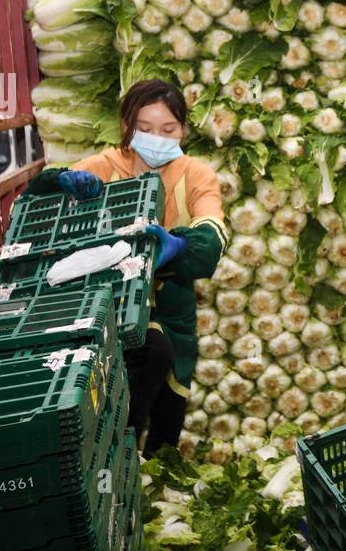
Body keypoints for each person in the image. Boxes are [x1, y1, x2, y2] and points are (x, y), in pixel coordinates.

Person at [24, 79, 227, 456]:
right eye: (144, 129)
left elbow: (213, 233)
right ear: (126, 126)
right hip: (103, 303)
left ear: (183, 129)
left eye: (168, 129)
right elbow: (36, 205)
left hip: (169, 307)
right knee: (138, 372)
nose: (156, 138)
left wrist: (180, 245)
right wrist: (62, 182)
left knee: (168, 404)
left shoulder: (196, 175)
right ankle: (115, 461)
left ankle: (153, 476)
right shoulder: (103, 166)